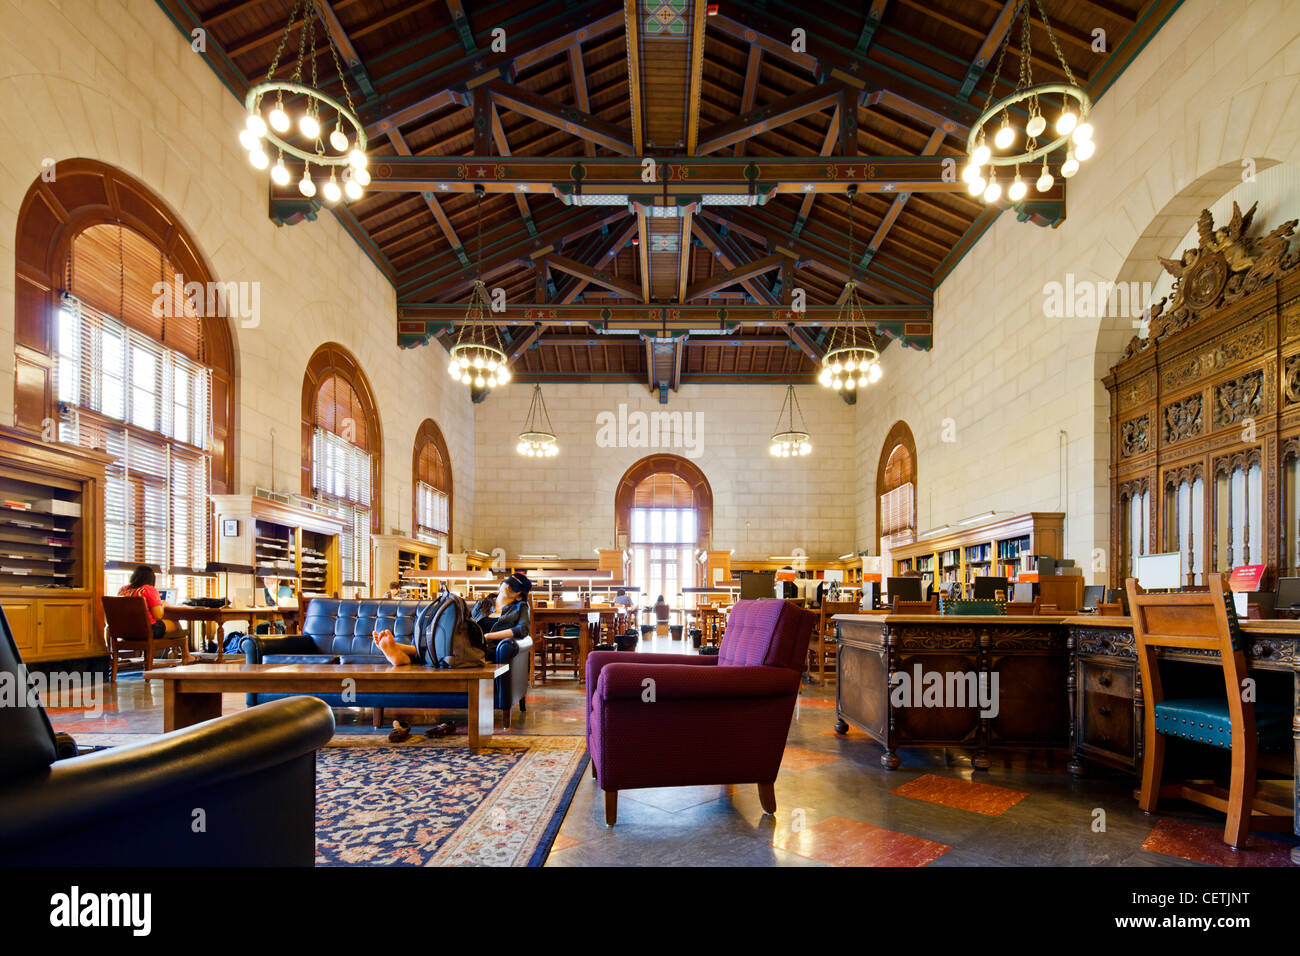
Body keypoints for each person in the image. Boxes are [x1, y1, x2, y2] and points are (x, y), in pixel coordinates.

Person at [374, 572, 533, 741]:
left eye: (513, 587)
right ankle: (401, 655)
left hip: (488, 650)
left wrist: (488, 637)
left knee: (449, 652)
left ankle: (401, 650)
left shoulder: (520, 608)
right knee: (447, 648)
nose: (508, 586)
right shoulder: (483, 604)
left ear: (519, 595)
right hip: (468, 645)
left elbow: (521, 630)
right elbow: (466, 625)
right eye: (508, 582)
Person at [118, 565, 191, 662]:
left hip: (125, 632)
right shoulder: (148, 589)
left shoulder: (123, 590)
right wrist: (162, 605)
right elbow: (158, 615)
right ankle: (185, 655)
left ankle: (174, 653)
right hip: (146, 631)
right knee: (176, 623)